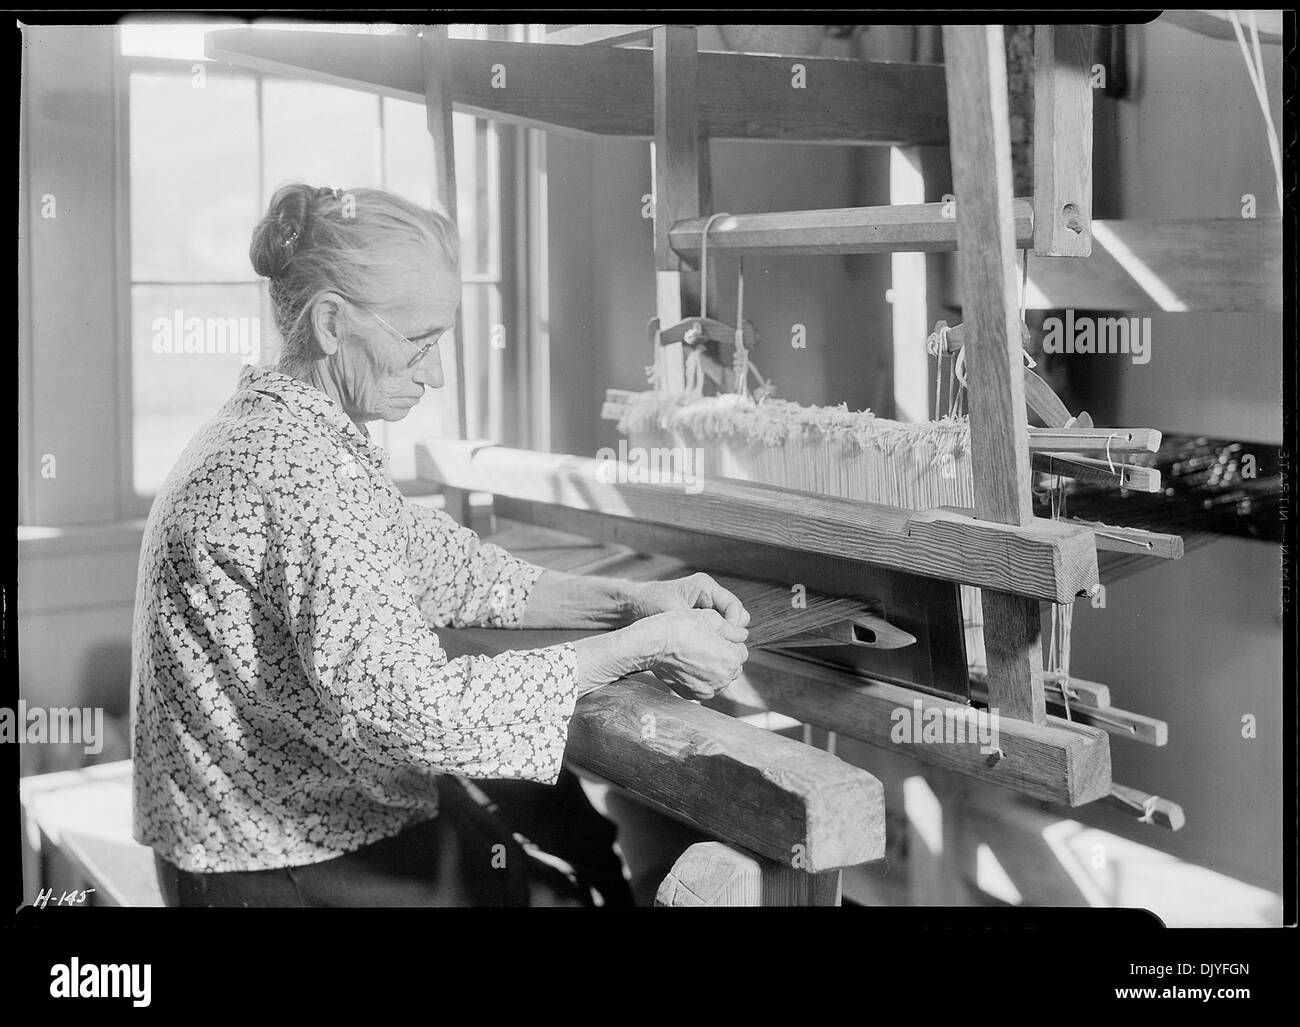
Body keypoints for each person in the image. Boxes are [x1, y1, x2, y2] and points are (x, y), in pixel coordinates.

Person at [131, 183, 750, 906]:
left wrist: (636, 601)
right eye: (420, 343)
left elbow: (455, 571)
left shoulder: (284, 425)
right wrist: (645, 646)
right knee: (553, 888)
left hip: (274, 820)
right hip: (265, 863)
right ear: (330, 322)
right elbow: (417, 713)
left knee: (556, 846)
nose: (437, 372)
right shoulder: (302, 471)